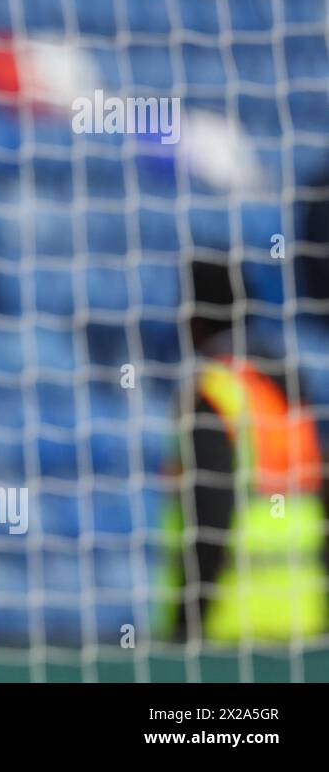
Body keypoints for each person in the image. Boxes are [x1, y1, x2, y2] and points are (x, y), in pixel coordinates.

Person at [157, 256, 327, 643]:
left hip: (232, 624)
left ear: (194, 319)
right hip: (304, 618)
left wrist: (187, 626)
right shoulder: (290, 388)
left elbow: (210, 513)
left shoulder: (215, 394)